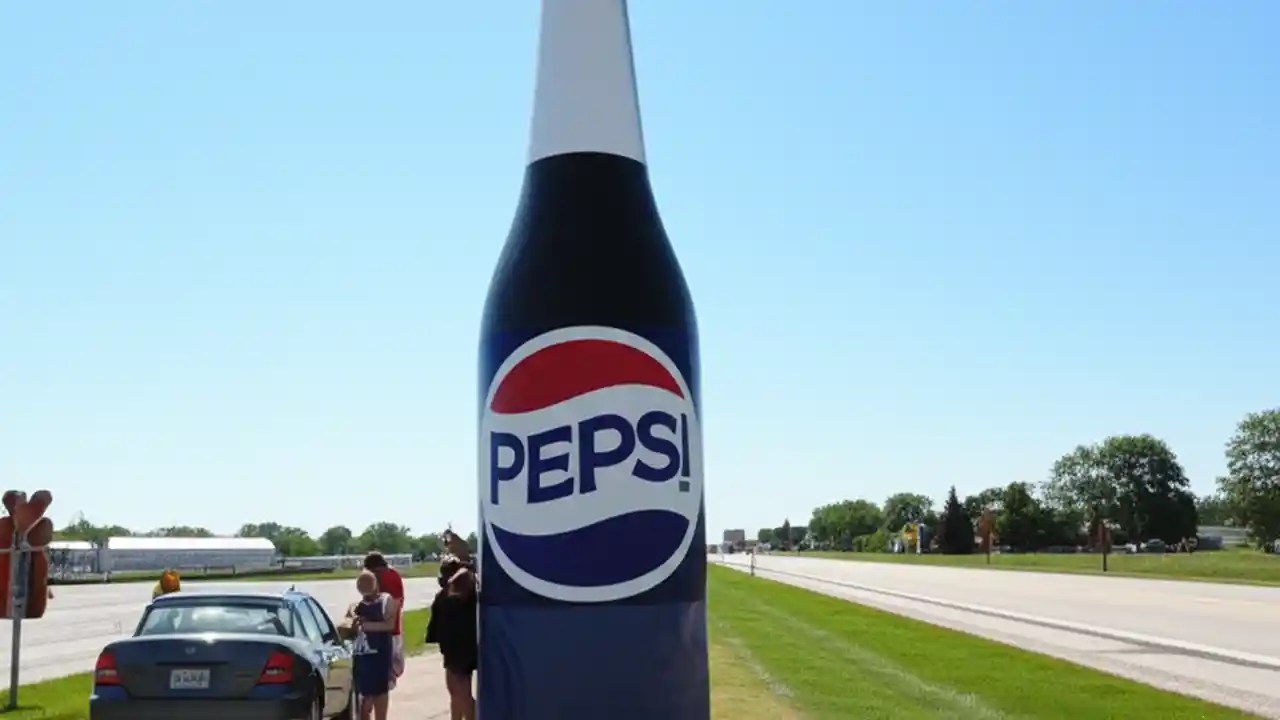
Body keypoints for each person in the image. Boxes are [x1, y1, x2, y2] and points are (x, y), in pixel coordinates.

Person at [426, 529, 478, 720]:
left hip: (460, 647)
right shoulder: (451, 593)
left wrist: (458, 550)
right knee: (456, 692)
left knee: (461, 693)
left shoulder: (462, 588)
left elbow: (467, 567)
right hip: (454, 647)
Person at [349, 570, 398, 720]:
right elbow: (347, 626)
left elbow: (389, 625)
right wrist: (354, 622)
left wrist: (365, 625)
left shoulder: (385, 600)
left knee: (380, 694)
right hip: (363, 657)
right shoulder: (356, 607)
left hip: (380, 656)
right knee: (364, 701)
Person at [362, 552, 405, 686]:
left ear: (376, 569)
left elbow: (395, 605)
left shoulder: (388, 579)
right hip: (387, 629)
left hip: (388, 632)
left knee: (386, 672)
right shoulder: (391, 575)